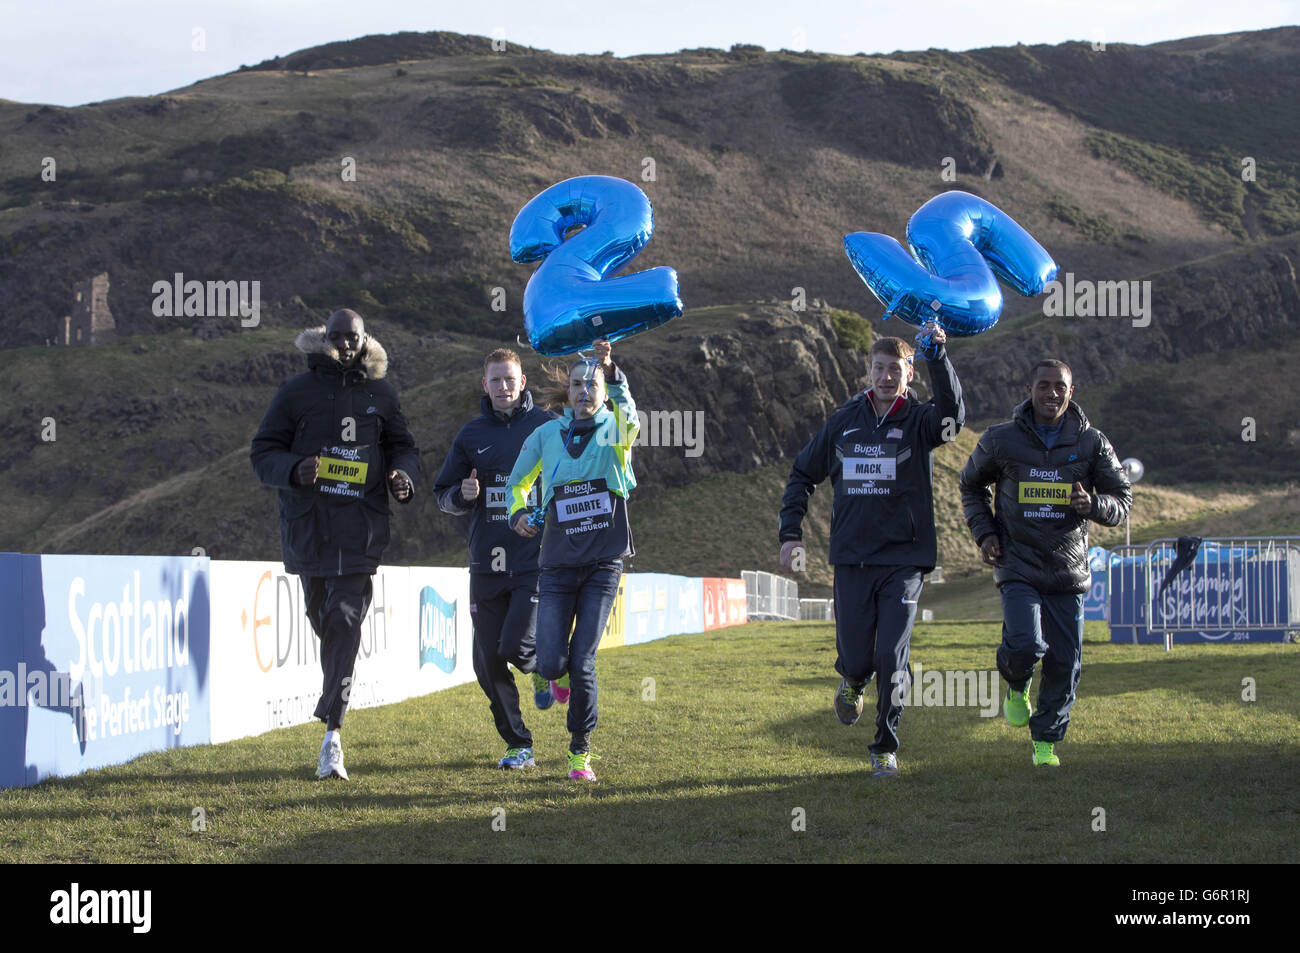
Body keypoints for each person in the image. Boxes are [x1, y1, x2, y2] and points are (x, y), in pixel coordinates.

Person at [778, 320, 964, 778]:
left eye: (895, 370)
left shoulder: (920, 422)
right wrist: (791, 533)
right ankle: (851, 680)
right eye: (878, 368)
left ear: (909, 375)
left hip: (904, 560)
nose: (886, 377)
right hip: (852, 558)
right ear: (868, 371)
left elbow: (952, 418)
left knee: (891, 656)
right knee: (860, 658)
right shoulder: (843, 422)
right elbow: (803, 475)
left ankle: (884, 745)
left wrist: (939, 357)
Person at [250, 309, 420, 781]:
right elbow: (262, 452)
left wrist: (402, 476)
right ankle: (335, 693)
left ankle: (332, 736)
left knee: (345, 618)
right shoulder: (295, 392)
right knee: (325, 620)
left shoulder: (382, 394)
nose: (346, 345)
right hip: (309, 531)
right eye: (338, 337)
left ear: (367, 341)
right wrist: (292, 470)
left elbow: (405, 447)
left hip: (361, 531)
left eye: (354, 338)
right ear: (325, 339)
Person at [958, 359, 1131, 767]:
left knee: (1064, 662)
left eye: (1060, 387)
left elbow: (1122, 500)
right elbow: (970, 485)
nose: (1052, 393)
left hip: (1068, 569)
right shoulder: (1000, 439)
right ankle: (1017, 684)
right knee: (1026, 644)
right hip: (1017, 562)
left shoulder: (1092, 442)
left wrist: (1095, 504)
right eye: (1044, 386)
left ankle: (1045, 743)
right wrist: (985, 533)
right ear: (1029, 388)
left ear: (1072, 393)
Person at [507, 338, 636, 782]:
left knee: (583, 660)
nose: (584, 391)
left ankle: (579, 752)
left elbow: (631, 420)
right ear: (569, 391)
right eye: (578, 384)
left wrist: (611, 370)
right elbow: (516, 483)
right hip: (558, 565)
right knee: (549, 662)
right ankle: (545, 674)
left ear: (603, 391)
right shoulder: (545, 434)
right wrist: (519, 512)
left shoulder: (614, 433)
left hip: (603, 564)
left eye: (593, 385)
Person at [432, 348, 560, 770]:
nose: (503, 387)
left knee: (513, 644)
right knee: (486, 659)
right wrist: (461, 496)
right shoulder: (471, 435)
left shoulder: (547, 425)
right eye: (495, 380)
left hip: (535, 559)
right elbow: (443, 495)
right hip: (487, 561)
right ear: (483, 385)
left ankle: (545, 666)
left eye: (510, 379)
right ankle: (518, 745)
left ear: (523, 382)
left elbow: (575, 474)